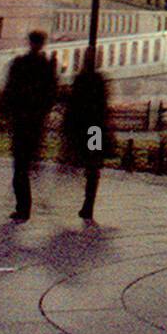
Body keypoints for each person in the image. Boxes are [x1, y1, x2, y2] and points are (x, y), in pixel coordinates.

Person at [0, 30, 57, 221]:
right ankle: (24, 204)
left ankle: (23, 206)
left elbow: (9, 90)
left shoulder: (20, 63)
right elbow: (51, 93)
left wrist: (8, 112)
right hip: (35, 120)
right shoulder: (46, 66)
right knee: (26, 162)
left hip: (22, 118)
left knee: (20, 164)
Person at [63, 52, 110, 222]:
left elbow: (72, 104)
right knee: (93, 167)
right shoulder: (99, 79)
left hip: (81, 127)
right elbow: (104, 105)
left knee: (84, 162)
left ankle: (87, 203)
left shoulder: (80, 79)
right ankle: (88, 203)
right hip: (95, 128)